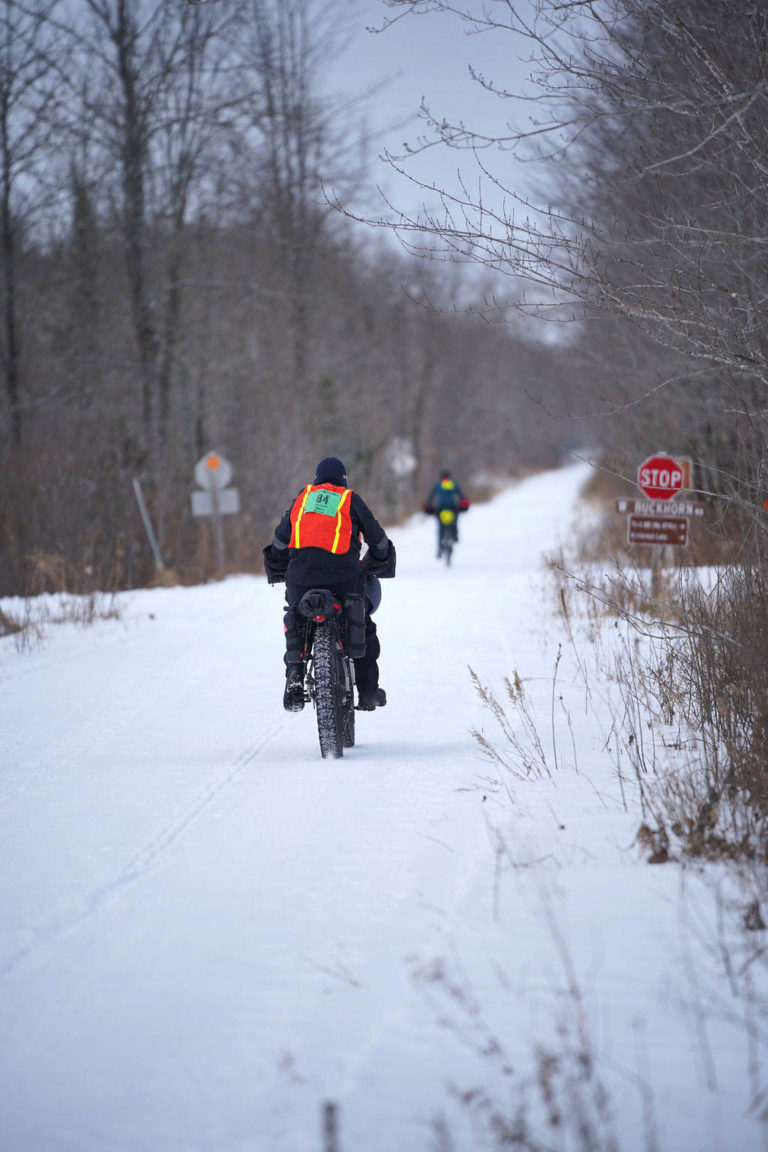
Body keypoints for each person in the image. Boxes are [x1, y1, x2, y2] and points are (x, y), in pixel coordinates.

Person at [264, 456, 395, 712]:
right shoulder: (349, 499)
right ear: (343, 480)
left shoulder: (302, 499)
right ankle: (368, 692)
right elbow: (377, 539)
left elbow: (279, 541)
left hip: (300, 580)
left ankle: (295, 675)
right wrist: (381, 557)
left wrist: (279, 564)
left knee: (296, 618)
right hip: (343, 580)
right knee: (362, 623)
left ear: (316, 480)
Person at [423, 469, 469, 555]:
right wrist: (464, 501)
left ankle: (440, 548)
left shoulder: (438, 485)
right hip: (452, 507)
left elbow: (430, 497)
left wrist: (428, 504)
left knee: (440, 528)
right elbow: (461, 496)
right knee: (455, 521)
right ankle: (455, 535)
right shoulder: (453, 484)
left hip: (440, 508)